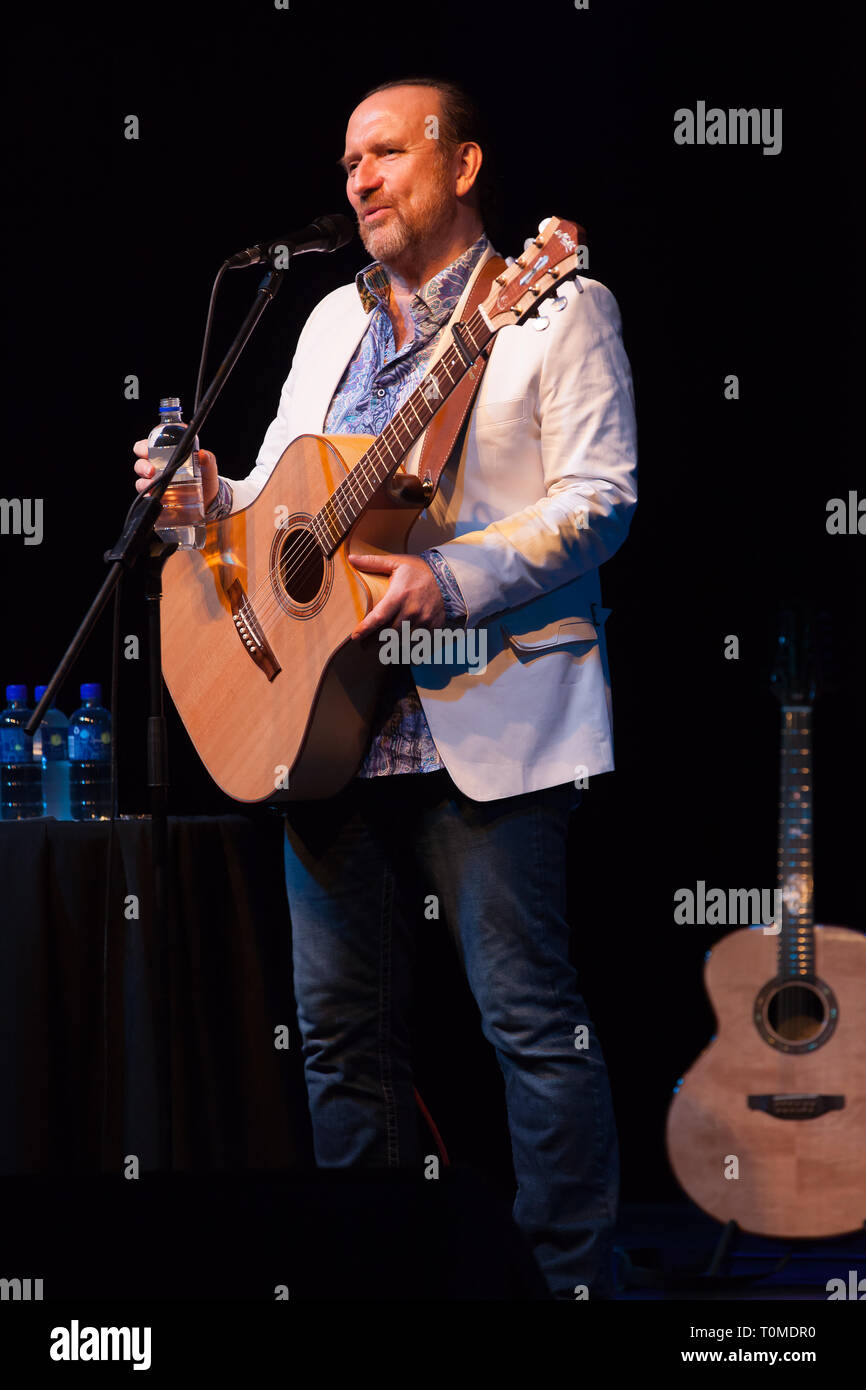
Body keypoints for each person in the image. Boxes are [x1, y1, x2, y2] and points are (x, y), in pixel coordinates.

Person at [133, 76, 638, 1300]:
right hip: (323, 728)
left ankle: (578, 1290)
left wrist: (449, 579)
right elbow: (279, 505)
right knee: (341, 1051)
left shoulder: (548, 308)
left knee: (531, 1032)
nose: (357, 177)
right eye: (347, 159)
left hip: (486, 714)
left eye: (385, 153)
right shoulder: (323, 323)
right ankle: (371, 1288)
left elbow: (600, 499)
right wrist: (207, 501)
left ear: (461, 166)